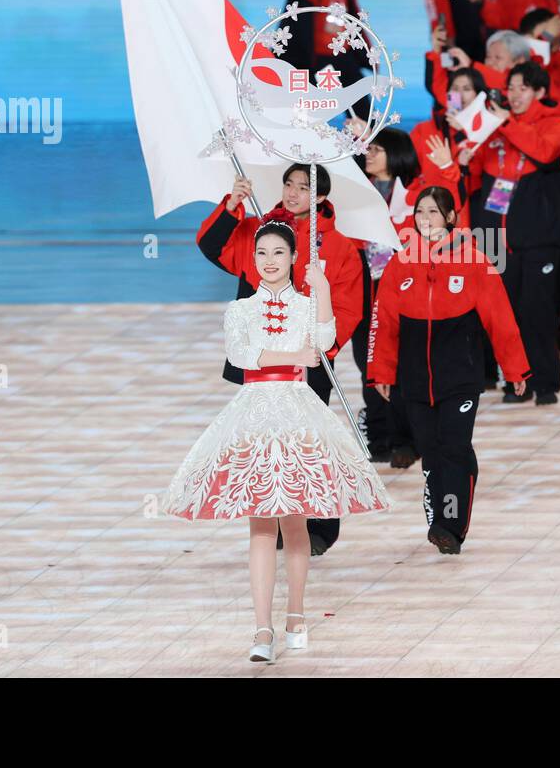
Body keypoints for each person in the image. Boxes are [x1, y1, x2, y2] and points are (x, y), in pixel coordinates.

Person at [161, 209, 391, 662]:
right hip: (254, 414)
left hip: (297, 412)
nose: (268, 260)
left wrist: (322, 289)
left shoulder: (307, 304)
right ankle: (262, 627)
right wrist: (293, 351)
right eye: (262, 252)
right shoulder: (239, 309)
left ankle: (297, 613)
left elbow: (324, 339)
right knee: (260, 523)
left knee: (295, 520)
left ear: (293, 258)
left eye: (278, 253)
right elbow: (242, 354)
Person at [196, 163, 364, 555]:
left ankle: (320, 528)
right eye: (289, 184)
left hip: (309, 360)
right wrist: (231, 204)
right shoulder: (263, 233)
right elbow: (213, 247)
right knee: (266, 443)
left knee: (310, 444)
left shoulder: (336, 245)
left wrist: (321, 351)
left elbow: (349, 305)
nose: (292, 193)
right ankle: (272, 517)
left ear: (320, 196)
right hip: (263, 362)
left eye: (303, 187)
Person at [367, 186, 530, 554]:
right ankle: (441, 513)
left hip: (460, 378)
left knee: (453, 447)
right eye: (420, 212)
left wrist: (515, 370)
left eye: (434, 212)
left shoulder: (474, 261)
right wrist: (382, 372)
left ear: (451, 219)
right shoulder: (400, 263)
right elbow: (384, 323)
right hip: (415, 381)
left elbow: (501, 320)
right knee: (431, 450)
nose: (425, 219)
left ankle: (449, 527)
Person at [353, 128, 460, 468]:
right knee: (368, 364)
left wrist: (448, 171)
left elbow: (447, 209)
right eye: (368, 149)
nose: (370, 154)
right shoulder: (356, 191)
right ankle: (380, 438)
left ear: (397, 154)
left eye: (377, 149)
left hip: (408, 293)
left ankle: (407, 439)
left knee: (404, 368)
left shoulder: (416, 193)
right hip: (365, 294)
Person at [466, 59, 560, 404]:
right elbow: (475, 171)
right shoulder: (495, 125)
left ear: (539, 91)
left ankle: (544, 382)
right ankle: (514, 381)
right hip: (493, 233)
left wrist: (506, 123)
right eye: (510, 87)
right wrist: (468, 149)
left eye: (522, 88)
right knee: (500, 313)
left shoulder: (554, 124)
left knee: (537, 311)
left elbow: (544, 151)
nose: (513, 94)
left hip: (537, 235)